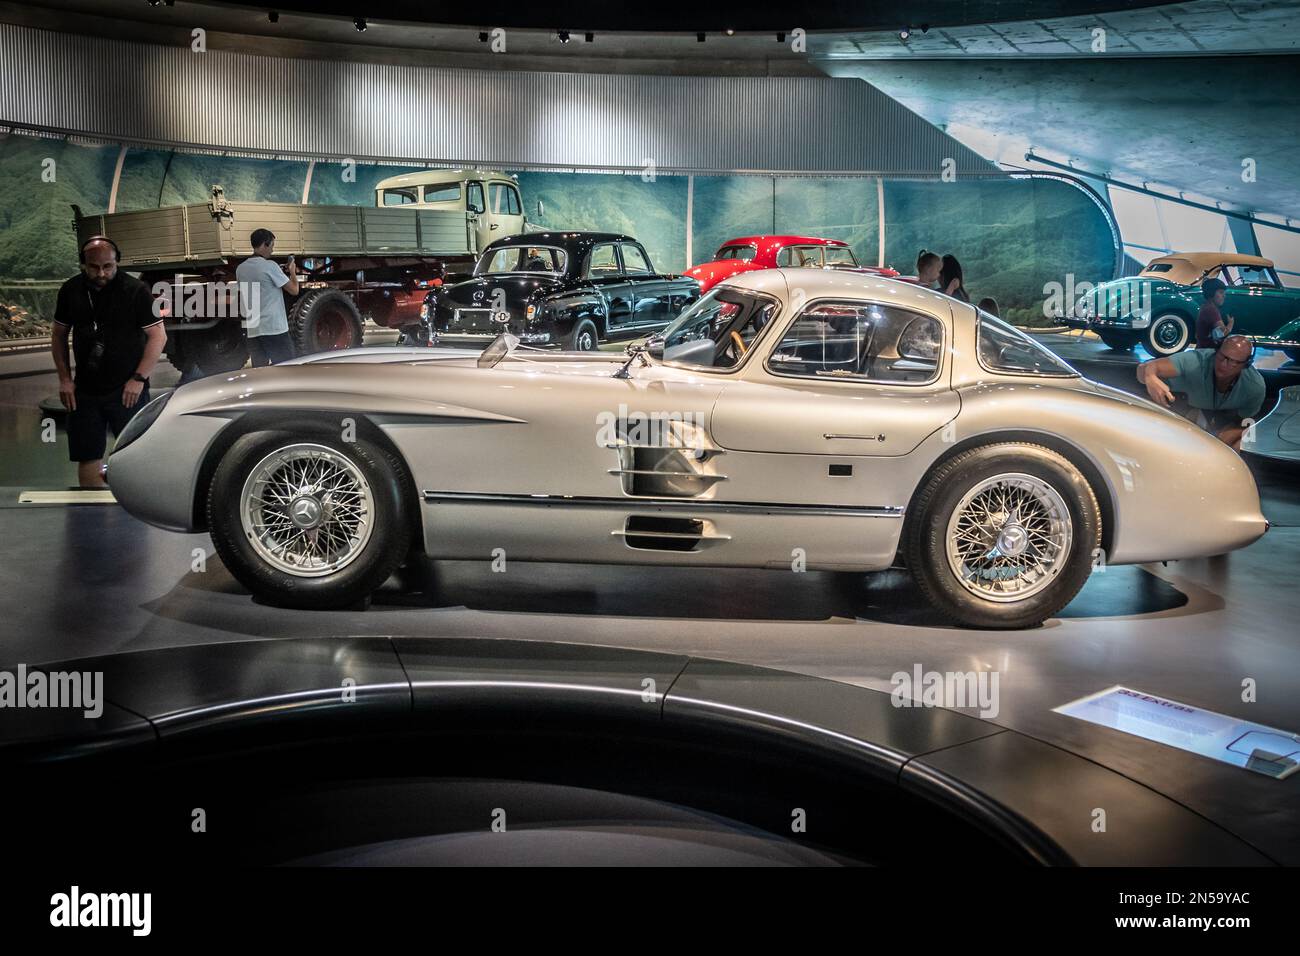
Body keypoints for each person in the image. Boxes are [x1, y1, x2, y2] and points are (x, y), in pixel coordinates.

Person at [51, 236, 166, 488]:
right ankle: (91, 515)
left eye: (108, 266)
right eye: (94, 267)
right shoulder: (71, 290)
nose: (101, 273)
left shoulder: (137, 291)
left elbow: (158, 336)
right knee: (87, 454)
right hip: (85, 389)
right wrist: (65, 379)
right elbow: (59, 335)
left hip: (127, 388)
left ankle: (134, 514)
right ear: (84, 265)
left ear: (117, 263)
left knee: (134, 452)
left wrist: (138, 379)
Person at [1136, 334, 1264, 450]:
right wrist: (1150, 376)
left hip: (1221, 423)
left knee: (1244, 442)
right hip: (1178, 410)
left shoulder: (1254, 387)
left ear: (1246, 364)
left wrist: (1221, 441)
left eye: (1233, 362)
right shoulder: (1195, 361)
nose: (1224, 364)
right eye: (1222, 356)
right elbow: (1146, 368)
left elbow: (1248, 422)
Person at [236, 228, 299, 367]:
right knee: (288, 369)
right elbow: (294, 290)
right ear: (265, 244)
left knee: (260, 373)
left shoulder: (240, 268)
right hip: (273, 328)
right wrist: (292, 272)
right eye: (271, 246)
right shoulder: (270, 266)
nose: (272, 250)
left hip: (253, 329)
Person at [1195, 277, 1234, 348]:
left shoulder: (1205, 306)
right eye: (1221, 292)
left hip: (1202, 348)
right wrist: (1230, 324)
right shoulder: (1211, 310)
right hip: (1207, 352)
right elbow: (1222, 334)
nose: (1224, 296)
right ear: (1211, 293)